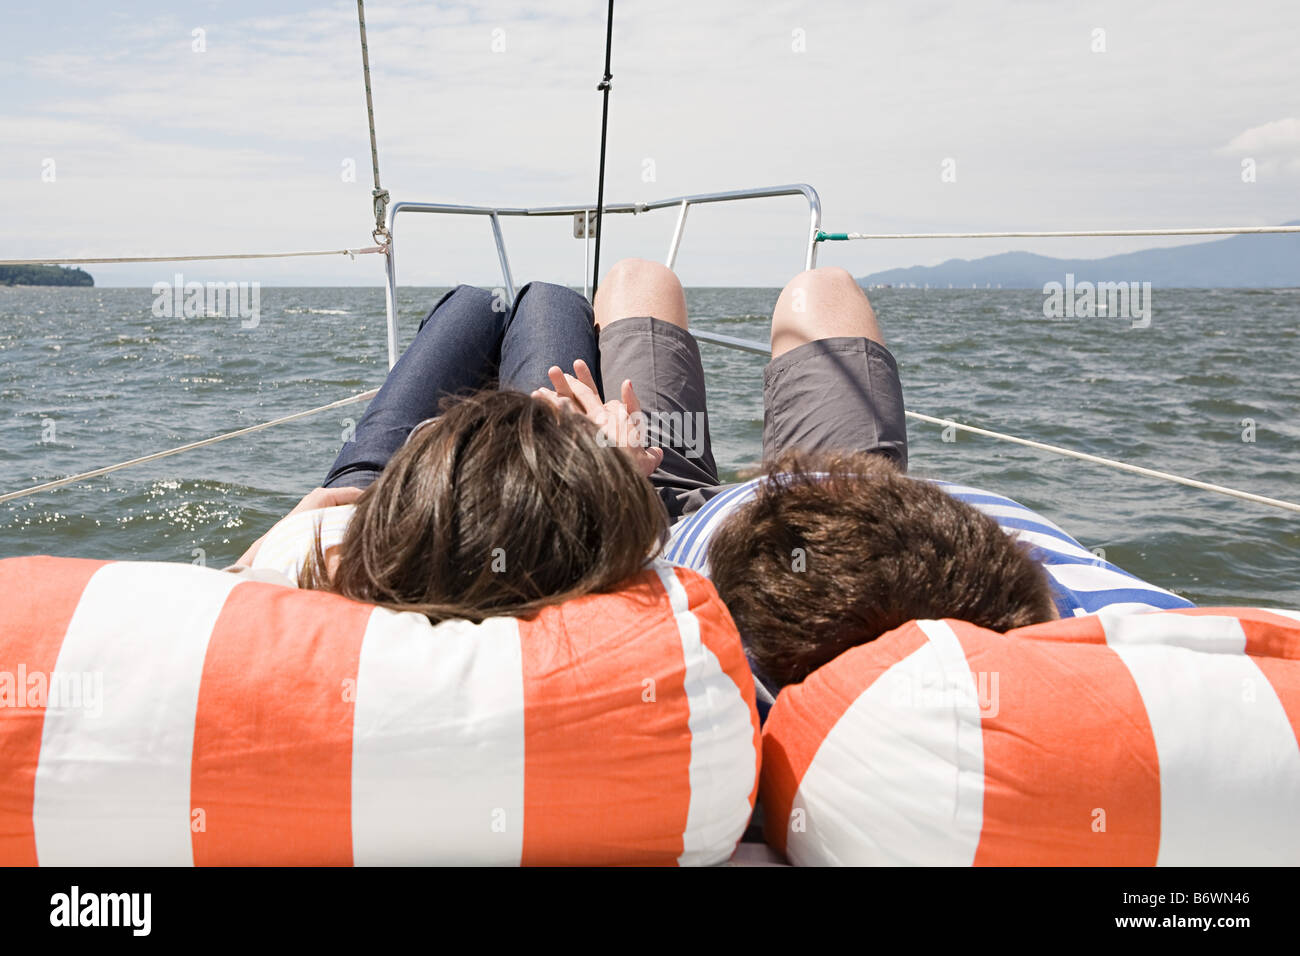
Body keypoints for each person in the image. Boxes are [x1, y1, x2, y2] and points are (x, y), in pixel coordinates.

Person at [535, 259, 1194, 706]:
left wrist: (610, 473)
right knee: (822, 290)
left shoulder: (736, 676)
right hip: (868, 502)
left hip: (661, 517)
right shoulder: (1135, 630)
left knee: (637, 280)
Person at [232, 281, 665, 623]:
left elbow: (224, 589)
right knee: (548, 301)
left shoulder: (301, 562)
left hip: (375, 511)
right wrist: (613, 471)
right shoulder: (568, 582)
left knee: (474, 306)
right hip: (470, 504)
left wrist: (304, 517)